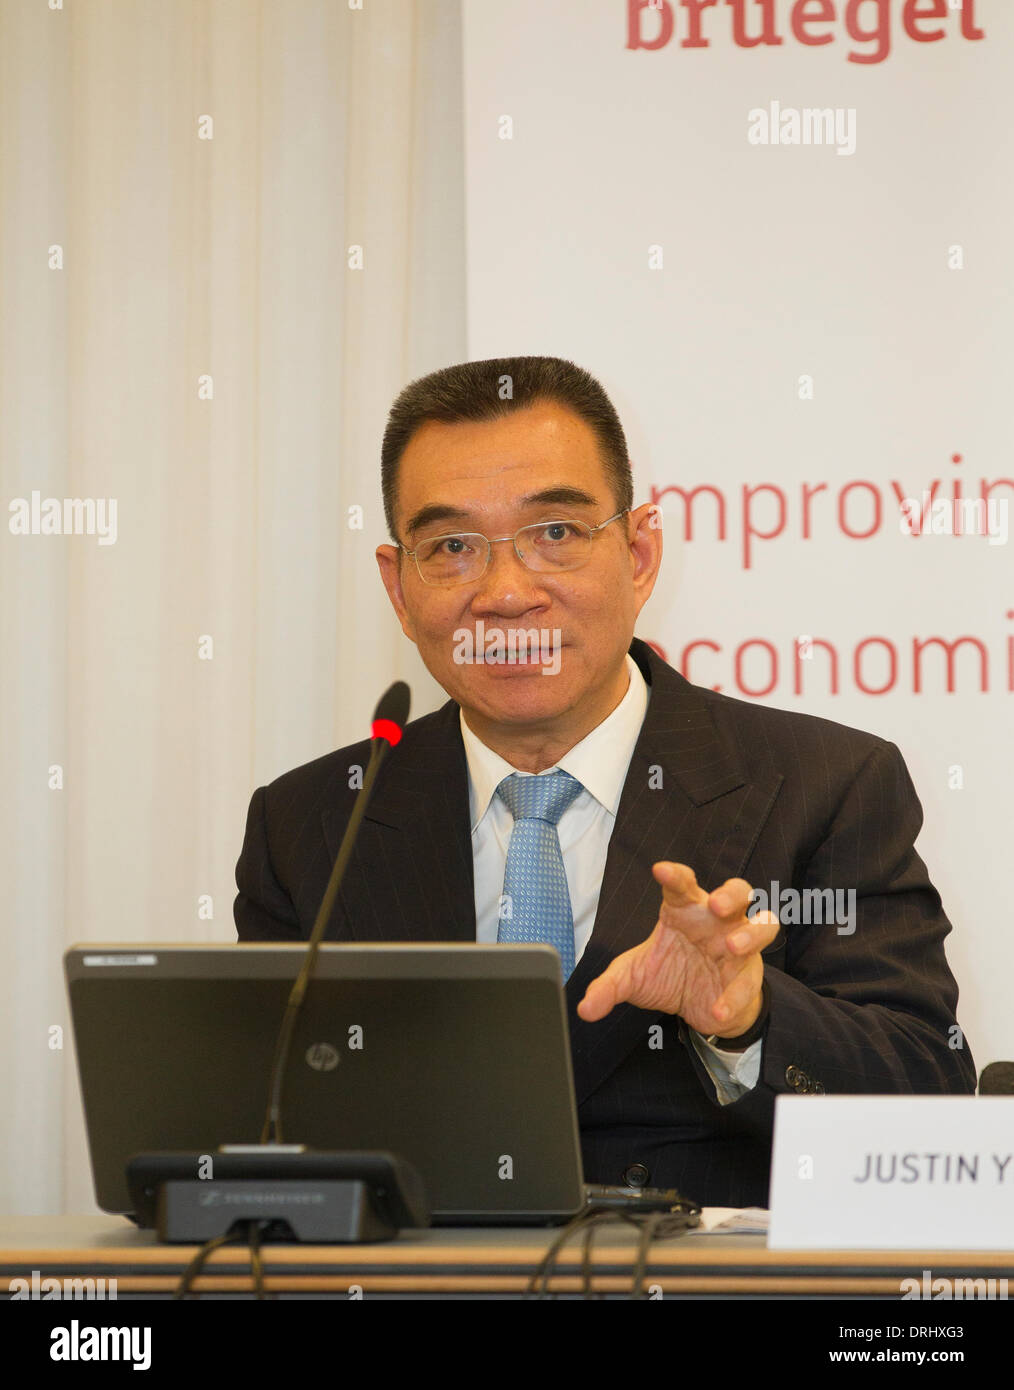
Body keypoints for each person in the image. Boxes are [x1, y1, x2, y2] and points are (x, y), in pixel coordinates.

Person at [234, 356, 976, 1207]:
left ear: (640, 553)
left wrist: (748, 1019)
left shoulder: (826, 786)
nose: (507, 594)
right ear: (398, 589)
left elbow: (934, 1109)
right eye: (451, 548)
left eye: (555, 533)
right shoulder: (311, 825)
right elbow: (272, 1141)